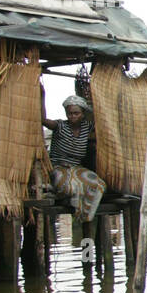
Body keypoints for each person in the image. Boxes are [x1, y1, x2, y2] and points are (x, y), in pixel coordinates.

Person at [42, 92, 106, 223]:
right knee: (66, 186)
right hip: (58, 167)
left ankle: (84, 216)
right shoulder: (60, 126)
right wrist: (41, 97)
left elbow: (103, 125)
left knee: (99, 184)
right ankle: (66, 197)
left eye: (76, 113)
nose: (73, 116)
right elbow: (44, 121)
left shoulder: (87, 127)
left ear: (82, 114)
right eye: (70, 113)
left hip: (76, 168)